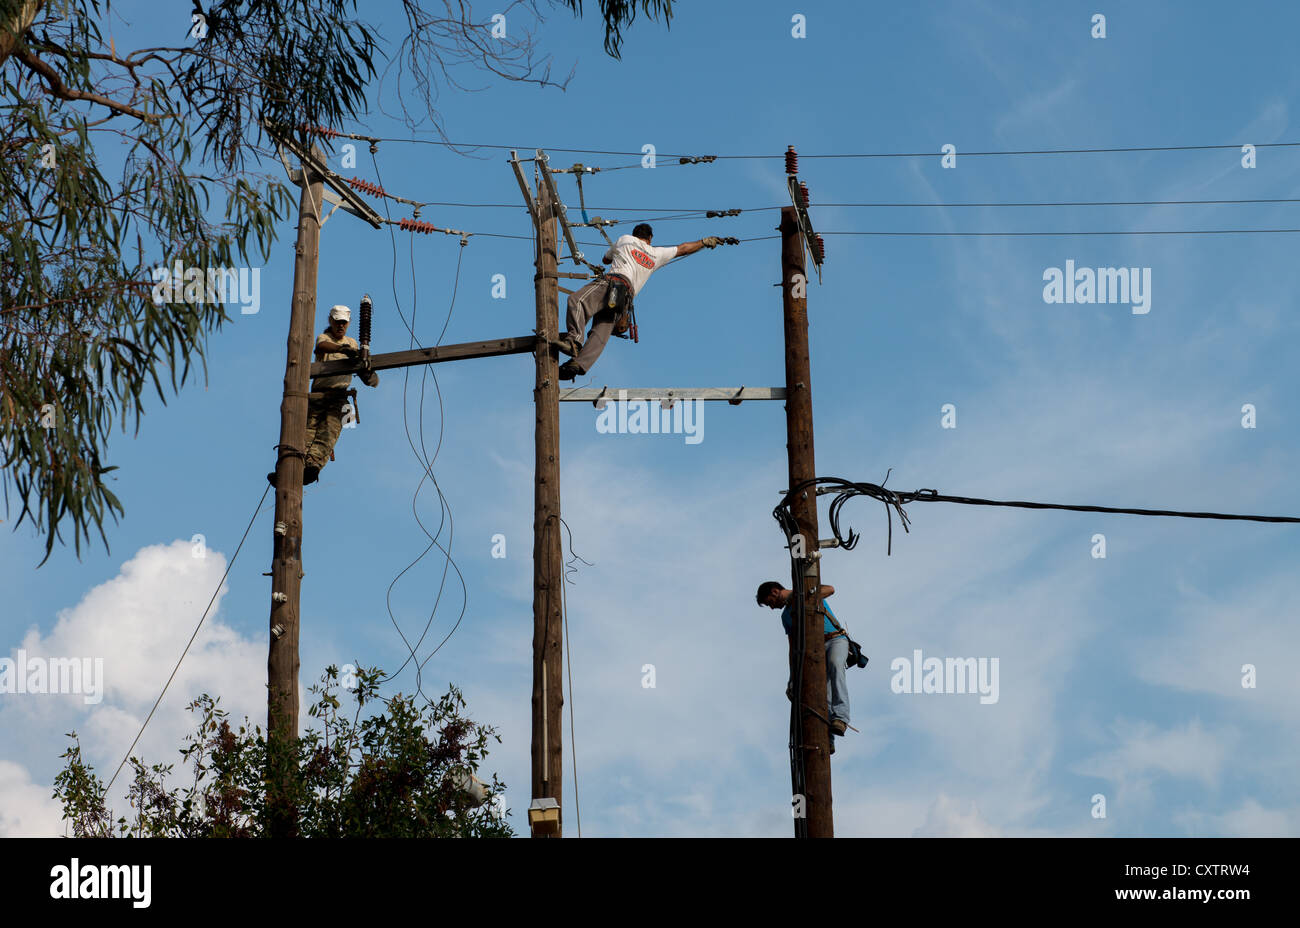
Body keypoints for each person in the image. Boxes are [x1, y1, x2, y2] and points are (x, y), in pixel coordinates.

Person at [557, 223, 723, 380]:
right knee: (601, 332)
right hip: (625, 298)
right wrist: (704, 242)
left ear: (634, 234)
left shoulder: (625, 239)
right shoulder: (656, 253)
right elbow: (683, 248)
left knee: (577, 301)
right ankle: (578, 365)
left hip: (612, 283)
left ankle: (574, 341)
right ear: (650, 238)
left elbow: (605, 260)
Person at [267, 304, 378, 488]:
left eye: (343, 322)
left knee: (327, 436)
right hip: (318, 396)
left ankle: (312, 468)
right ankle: (287, 469)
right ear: (330, 321)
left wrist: (367, 370)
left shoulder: (353, 343)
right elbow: (321, 346)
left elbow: (365, 371)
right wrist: (341, 350)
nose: (340, 326)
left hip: (341, 399)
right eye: (337, 322)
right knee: (303, 435)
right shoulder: (325, 338)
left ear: (348, 323)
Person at [757, 580, 850, 750]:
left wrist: (804, 596)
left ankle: (841, 718)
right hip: (814, 649)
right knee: (820, 688)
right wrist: (792, 679)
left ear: (775, 591)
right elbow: (793, 648)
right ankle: (826, 737)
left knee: (835, 665)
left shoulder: (805, 591)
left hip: (835, 639)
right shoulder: (786, 616)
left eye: (770, 602)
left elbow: (831, 589)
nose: (772, 607)